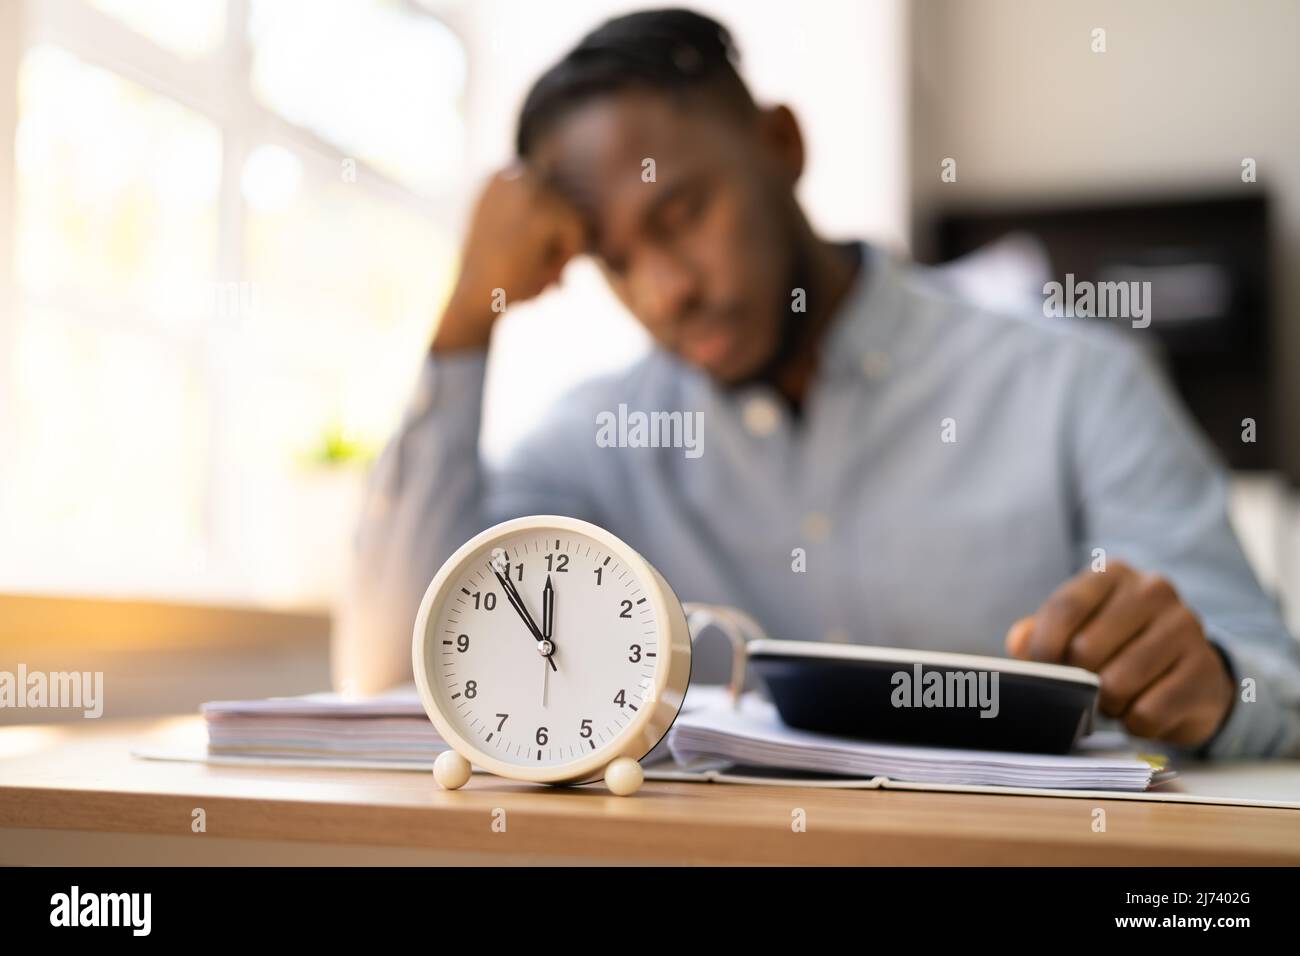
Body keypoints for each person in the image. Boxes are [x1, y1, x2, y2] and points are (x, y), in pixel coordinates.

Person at [335, 8, 1300, 758]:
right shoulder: (598, 441)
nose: (666, 288)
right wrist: (467, 319)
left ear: (782, 148)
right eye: (615, 259)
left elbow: (1274, 688)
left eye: (682, 213)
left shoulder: (1077, 383)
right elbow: (390, 674)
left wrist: (1208, 679)